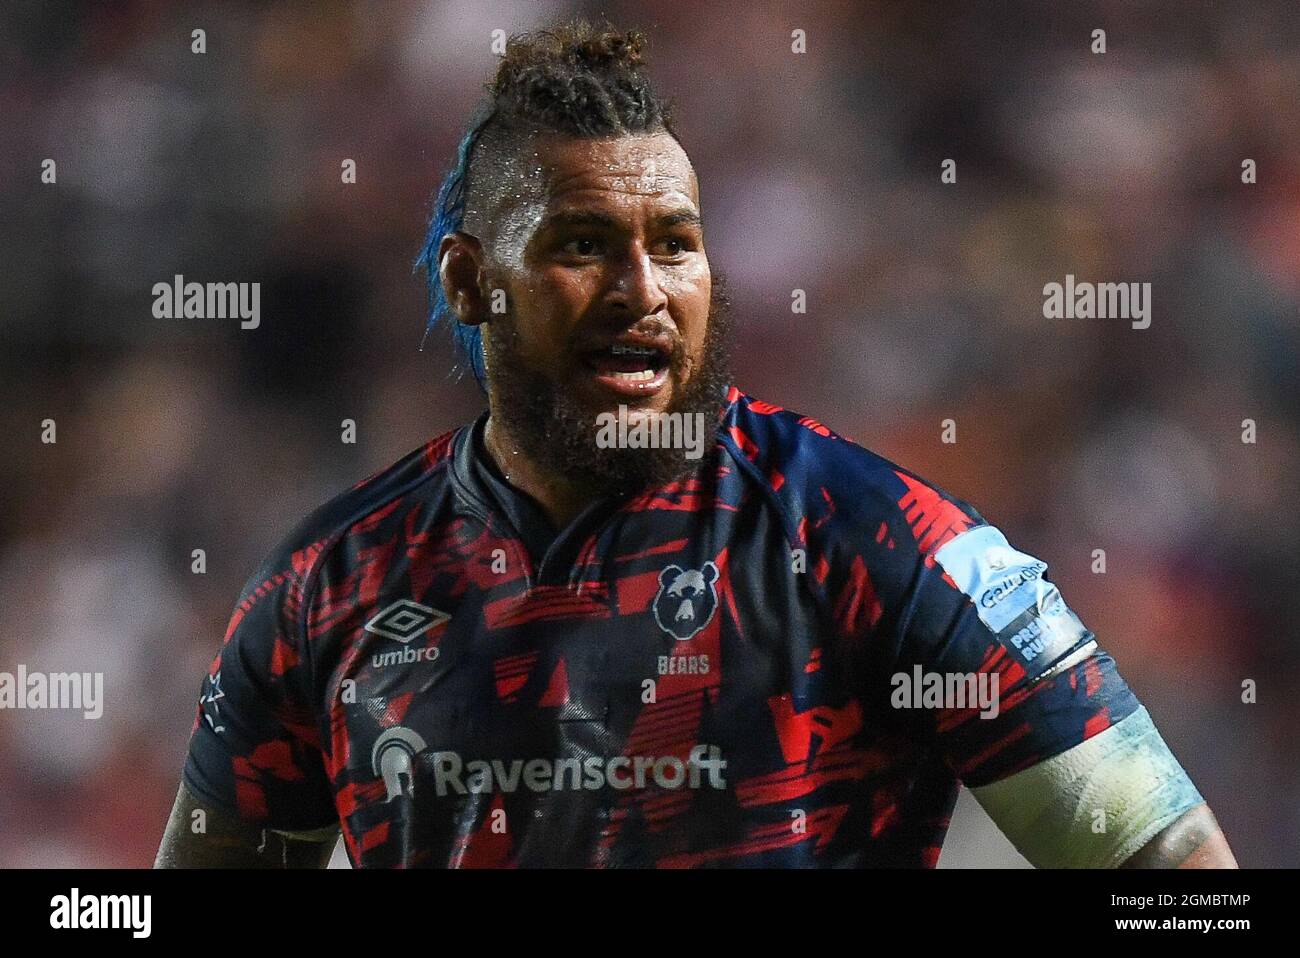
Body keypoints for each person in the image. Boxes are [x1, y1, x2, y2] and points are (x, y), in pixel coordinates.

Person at [156, 20, 1236, 868]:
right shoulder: (327, 586)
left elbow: (1167, 857)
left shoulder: (868, 540)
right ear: (469, 280)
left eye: (674, 244)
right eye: (583, 244)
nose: (643, 292)